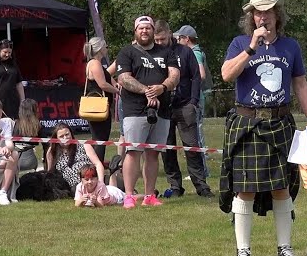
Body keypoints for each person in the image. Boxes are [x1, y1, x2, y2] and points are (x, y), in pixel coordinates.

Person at [220, 0, 307, 256]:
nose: (263, 17)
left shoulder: (290, 46)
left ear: (277, 15)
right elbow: (226, 75)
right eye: (258, 13)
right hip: (247, 123)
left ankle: (285, 248)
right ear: (252, 17)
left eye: (268, 11)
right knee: (245, 189)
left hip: (280, 123)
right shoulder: (239, 43)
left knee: (282, 186)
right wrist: (251, 48)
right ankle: (243, 252)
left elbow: (300, 84)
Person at [114, 16, 180, 208]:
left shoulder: (167, 52)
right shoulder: (127, 52)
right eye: (141, 28)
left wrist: (162, 87)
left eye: (148, 28)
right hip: (135, 110)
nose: (144, 31)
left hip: (161, 109)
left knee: (153, 153)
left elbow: (175, 75)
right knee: (133, 151)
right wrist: (147, 91)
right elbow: (123, 78)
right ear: (135, 31)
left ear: (153, 30)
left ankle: (149, 195)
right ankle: (129, 195)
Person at [155, 20, 211, 198]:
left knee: (192, 147)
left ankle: (201, 185)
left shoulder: (185, 51)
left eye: (162, 39)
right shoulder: (153, 54)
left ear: (170, 33)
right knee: (167, 149)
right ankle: (175, 186)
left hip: (185, 105)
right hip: (163, 107)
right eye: (156, 40)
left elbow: (196, 76)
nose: (159, 43)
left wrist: (194, 101)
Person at [175, 25, 212, 173]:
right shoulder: (198, 51)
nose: (178, 41)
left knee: (196, 136)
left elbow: (201, 74)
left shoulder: (193, 53)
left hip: (194, 99)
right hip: (196, 98)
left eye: (179, 38)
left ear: (186, 39)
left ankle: (202, 170)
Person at [82, 37, 119, 163]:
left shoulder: (95, 63)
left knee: (100, 138)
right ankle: (97, 165)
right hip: (98, 107)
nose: (107, 49)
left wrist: (113, 82)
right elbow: (102, 84)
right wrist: (117, 91)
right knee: (100, 139)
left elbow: (106, 76)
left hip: (98, 106)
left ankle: (97, 164)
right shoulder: (95, 64)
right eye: (105, 46)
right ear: (100, 48)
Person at [45, 123, 104, 191]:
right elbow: (50, 173)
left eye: (67, 134)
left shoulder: (84, 145)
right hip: (73, 186)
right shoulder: (52, 152)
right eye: (61, 136)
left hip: (91, 179)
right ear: (56, 139)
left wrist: (100, 183)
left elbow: (97, 164)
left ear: (71, 134)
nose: (65, 138)